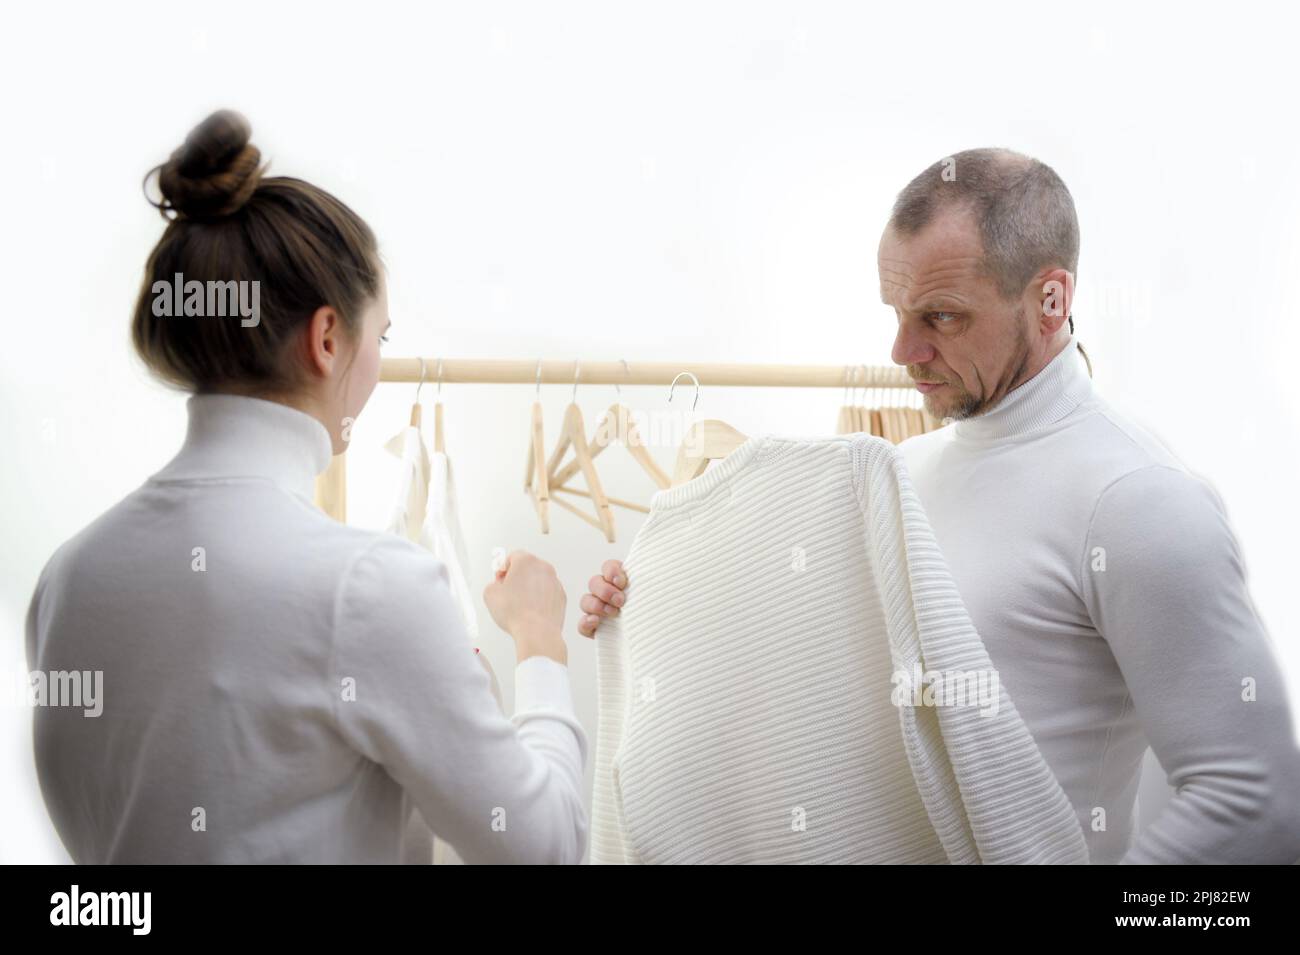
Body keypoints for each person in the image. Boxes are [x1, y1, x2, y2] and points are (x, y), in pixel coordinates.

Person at [579, 148, 1300, 864]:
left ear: (1052, 298)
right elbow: (798, 676)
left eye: (942, 316)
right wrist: (647, 608)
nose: (902, 348)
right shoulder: (894, 476)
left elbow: (1252, 799)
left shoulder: (1137, 502)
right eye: (896, 312)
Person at [25, 109, 587, 864]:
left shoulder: (67, 579)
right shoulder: (370, 586)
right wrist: (540, 643)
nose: (377, 366)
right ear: (327, 339)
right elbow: (543, 848)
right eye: (378, 337)